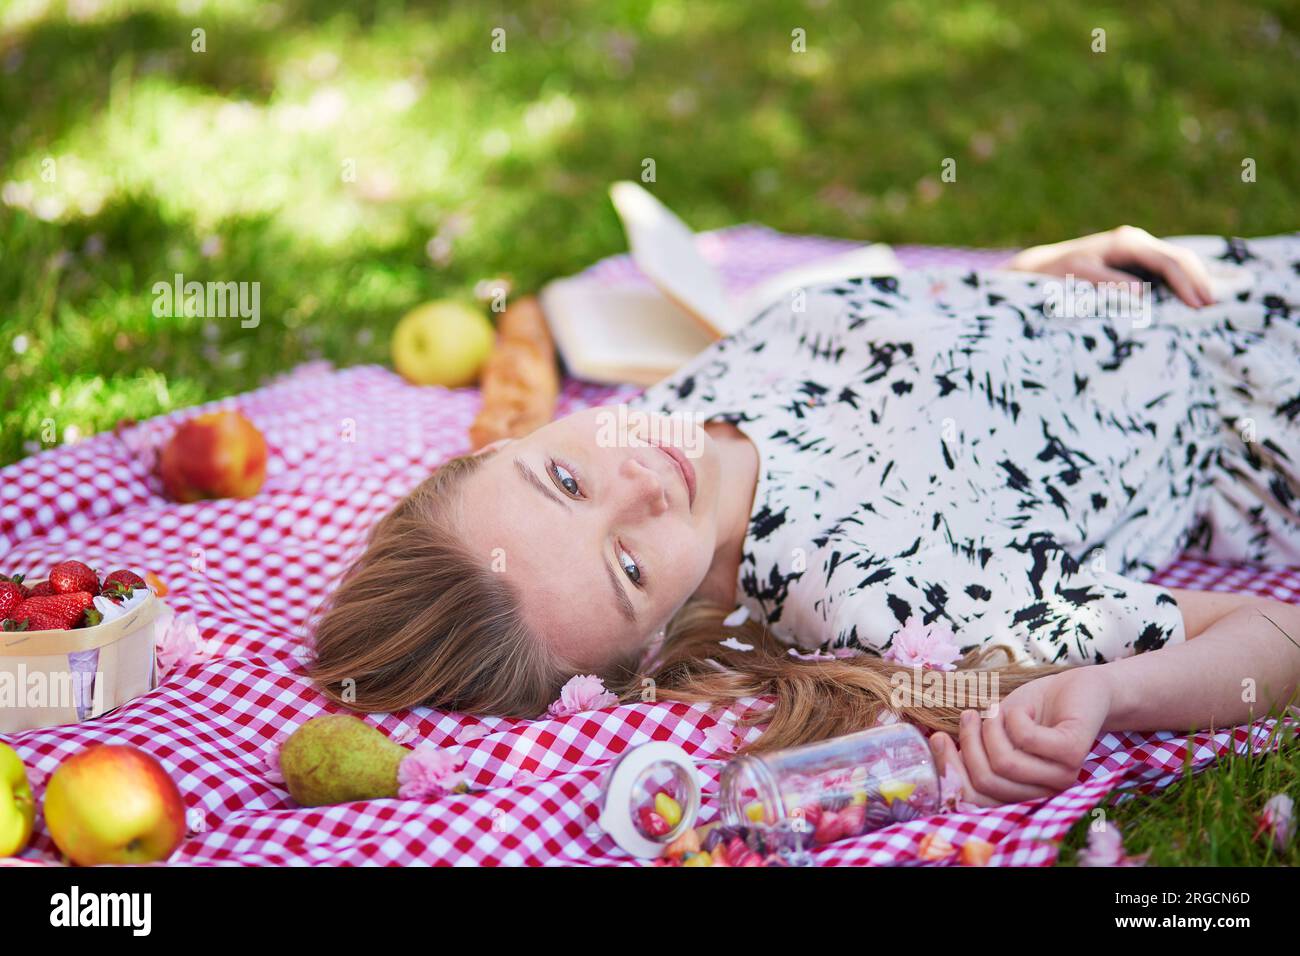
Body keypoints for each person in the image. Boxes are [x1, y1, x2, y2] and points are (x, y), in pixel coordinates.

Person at [310, 226, 1300, 806]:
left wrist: (1037, 268)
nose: (643, 486)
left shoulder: (684, 397)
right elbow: (1272, 635)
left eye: (565, 482)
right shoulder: (871, 587)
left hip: (1207, 277)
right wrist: (1115, 695)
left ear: (499, 446)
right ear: (651, 643)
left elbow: (929, 356)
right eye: (628, 565)